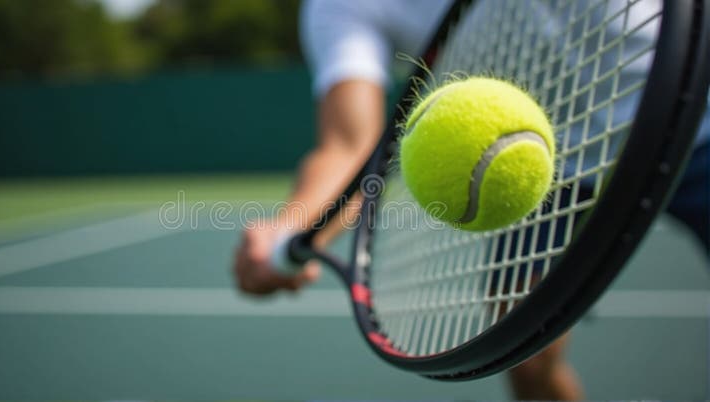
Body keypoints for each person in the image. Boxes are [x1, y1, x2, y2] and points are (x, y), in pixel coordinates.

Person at [234, 1, 709, 399]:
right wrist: (290, 227)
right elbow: (348, 145)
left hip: (695, 114)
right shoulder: (341, 7)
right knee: (526, 355)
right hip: (547, 171)